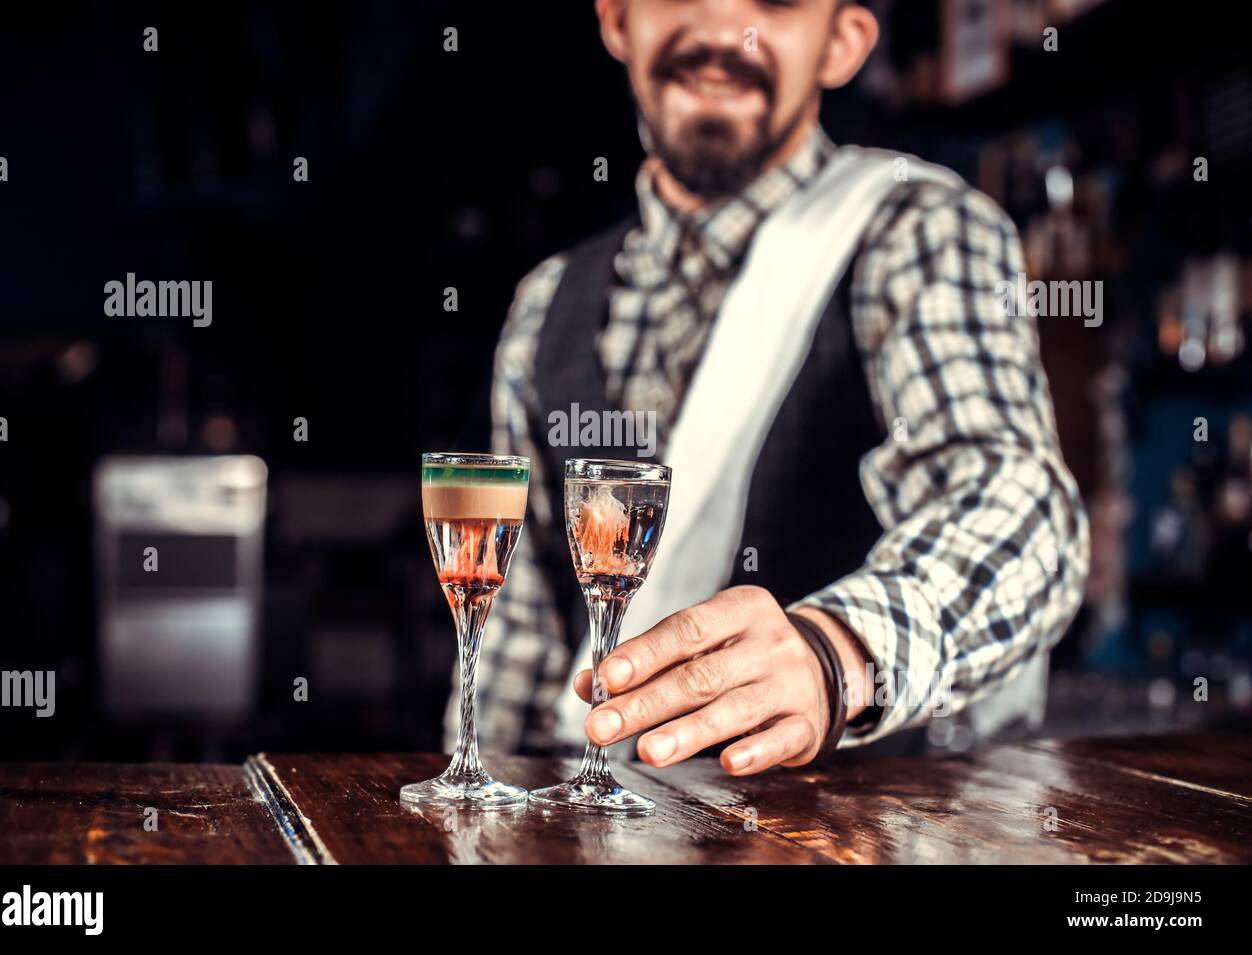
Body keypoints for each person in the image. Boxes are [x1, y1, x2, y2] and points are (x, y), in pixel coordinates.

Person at [444, 0, 1089, 775]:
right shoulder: (545, 303)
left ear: (843, 43)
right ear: (616, 20)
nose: (721, 31)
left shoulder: (920, 229)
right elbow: (522, 634)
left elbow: (1022, 505)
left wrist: (837, 650)